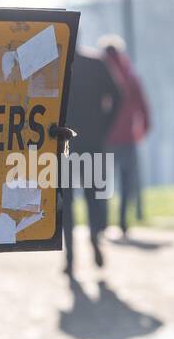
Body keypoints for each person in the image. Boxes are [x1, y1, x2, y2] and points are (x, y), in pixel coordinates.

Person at [61, 45, 123, 276]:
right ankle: (95, 238)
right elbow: (117, 95)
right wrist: (104, 126)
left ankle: (70, 258)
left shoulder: (57, 66)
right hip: (93, 141)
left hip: (64, 145)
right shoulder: (96, 64)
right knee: (93, 199)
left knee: (65, 203)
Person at [100, 35, 151, 236]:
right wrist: (143, 128)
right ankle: (122, 221)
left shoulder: (99, 74)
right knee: (126, 181)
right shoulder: (130, 76)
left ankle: (102, 223)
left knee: (101, 182)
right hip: (127, 137)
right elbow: (143, 105)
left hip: (103, 138)